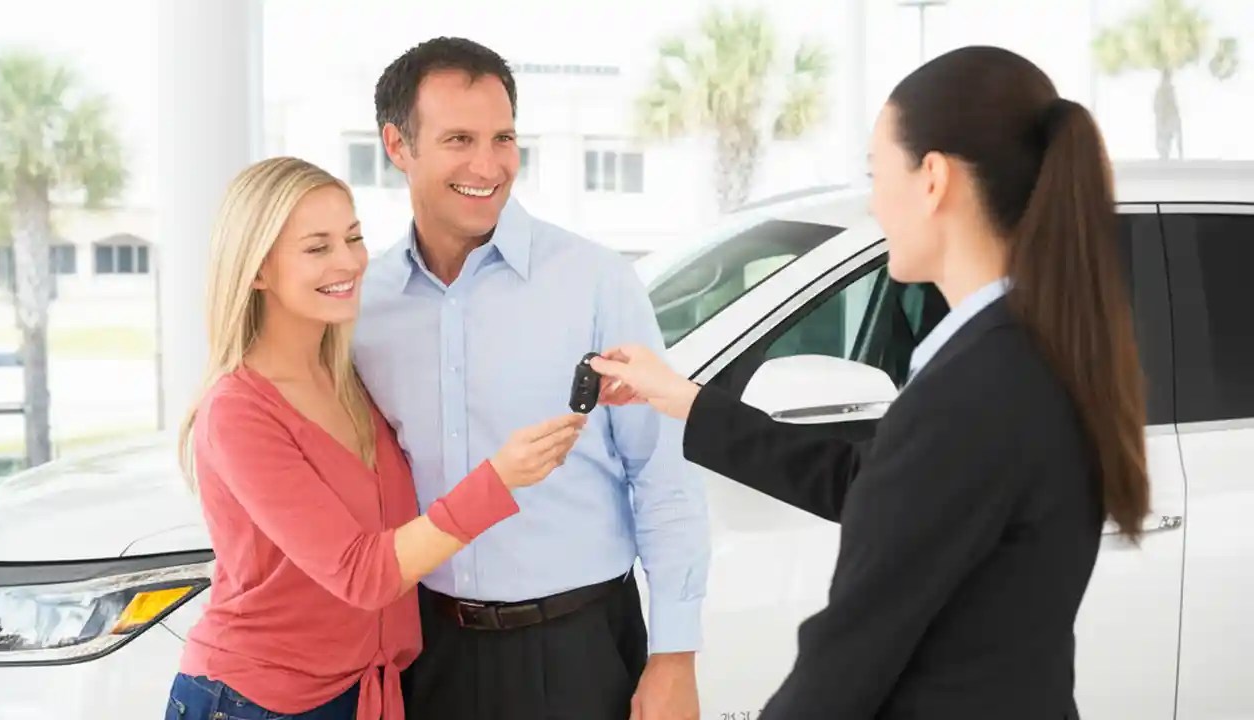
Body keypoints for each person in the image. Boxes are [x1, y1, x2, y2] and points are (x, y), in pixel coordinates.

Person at [590, 46, 1150, 719]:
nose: (874, 202)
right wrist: (683, 399)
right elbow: (871, 486)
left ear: (933, 179)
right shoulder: (1027, 353)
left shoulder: (976, 388)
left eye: (874, 172)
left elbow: (849, 654)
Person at [352, 37, 710, 720]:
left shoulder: (596, 281)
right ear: (397, 146)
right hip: (426, 654)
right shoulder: (366, 307)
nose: (488, 165)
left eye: (504, 138)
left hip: (580, 650)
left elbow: (664, 478)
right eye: (459, 138)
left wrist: (674, 659)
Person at [166, 156, 585, 720]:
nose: (349, 261)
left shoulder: (351, 380)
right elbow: (362, 575)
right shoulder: (238, 412)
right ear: (257, 270)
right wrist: (501, 478)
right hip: (258, 703)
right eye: (317, 248)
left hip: (367, 692)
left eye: (354, 237)